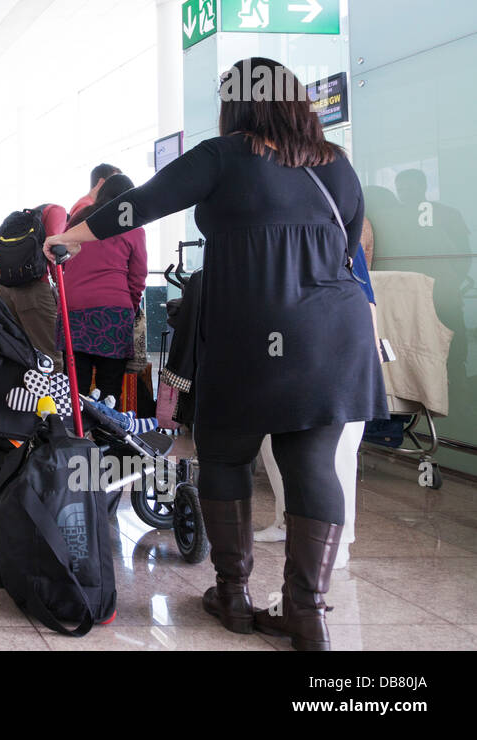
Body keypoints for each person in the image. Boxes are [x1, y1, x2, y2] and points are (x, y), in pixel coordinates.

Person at [44, 58, 387, 651]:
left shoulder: (223, 155)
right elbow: (351, 243)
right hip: (334, 334)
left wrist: (69, 237)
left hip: (252, 327)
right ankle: (309, 616)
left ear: (237, 103)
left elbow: (139, 205)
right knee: (312, 466)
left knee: (226, 455)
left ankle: (233, 595)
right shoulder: (335, 163)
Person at [257, 242, 377, 570]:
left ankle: (340, 539)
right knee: (274, 442)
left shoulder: (337, 233)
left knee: (337, 451)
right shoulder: (279, 234)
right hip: (289, 346)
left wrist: (372, 351)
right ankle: (285, 521)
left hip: (341, 346)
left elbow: (366, 298)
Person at [60, 174, 147, 400]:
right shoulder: (133, 225)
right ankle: (106, 434)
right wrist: (132, 308)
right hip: (113, 313)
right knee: (109, 390)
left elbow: (60, 258)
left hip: (73, 308)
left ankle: (73, 433)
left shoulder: (80, 219)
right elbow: (138, 276)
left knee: (74, 389)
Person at [0, 202, 68, 359]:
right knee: (49, 356)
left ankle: (23, 383)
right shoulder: (58, 211)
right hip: (33, 289)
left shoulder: (25, 218)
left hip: (3, 288)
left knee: (20, 353)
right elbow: (54, 250)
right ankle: (50, 384)